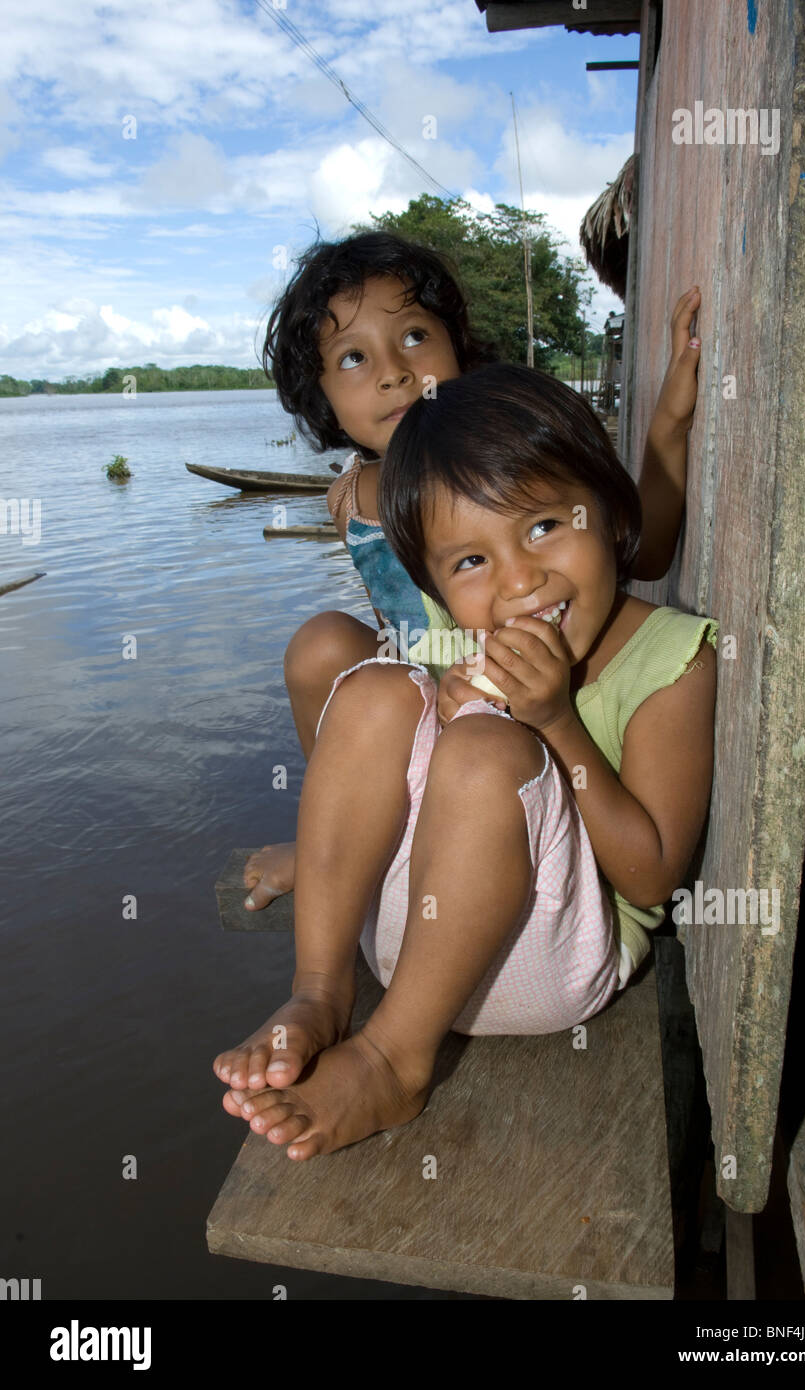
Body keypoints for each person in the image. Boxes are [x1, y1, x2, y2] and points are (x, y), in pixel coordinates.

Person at [213, 363, 717, 1161]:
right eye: (470, 563)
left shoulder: (670, 661)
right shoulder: (466, 643)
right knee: (377, 689)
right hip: (414, 946)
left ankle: (391, 1061)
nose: (520, 582)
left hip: (554, 961)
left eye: (545, 526)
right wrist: (442, 703)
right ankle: (319, 989)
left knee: (484, 748)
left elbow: (652, 878)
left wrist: (554, 722)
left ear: (610, 512)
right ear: (438, 588)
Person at [239, 230, 703, 910]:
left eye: (415, 336)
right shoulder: (351, 501)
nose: (393, 371)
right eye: (352, 358)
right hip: (443, 702)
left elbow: (645, 552)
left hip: (526, 712)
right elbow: (399, 632)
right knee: (322, 649)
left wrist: (667, 423)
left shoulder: (510, 454)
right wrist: (436, 695)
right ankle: (340, 840)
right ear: (322, 397)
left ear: (454, 342)